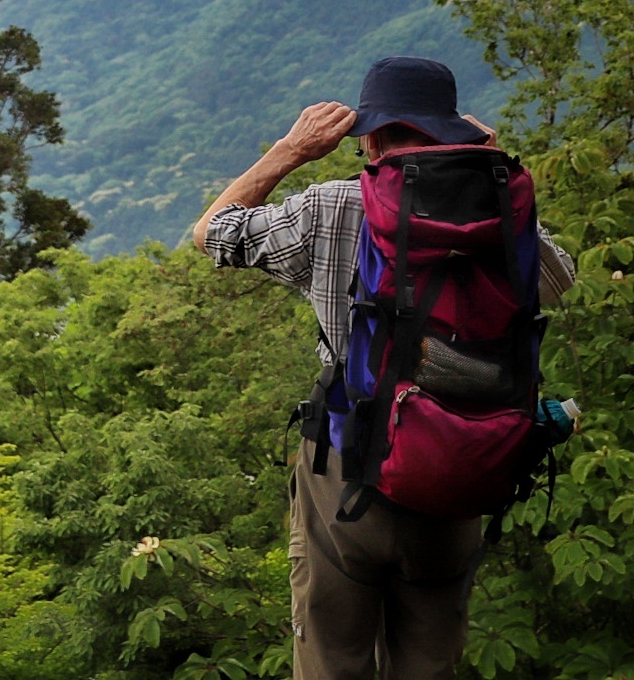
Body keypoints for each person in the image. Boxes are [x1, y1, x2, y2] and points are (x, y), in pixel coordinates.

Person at [192, 55, 575, 680]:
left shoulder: (333, 206)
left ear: (369, 136)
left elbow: (212, 233)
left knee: (333, 658)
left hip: (348, 472)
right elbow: (558, 278)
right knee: (429, 664)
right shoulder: (508, 221)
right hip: (461, 466)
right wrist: (490, 174)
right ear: (456, 130)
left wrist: (288, 152)